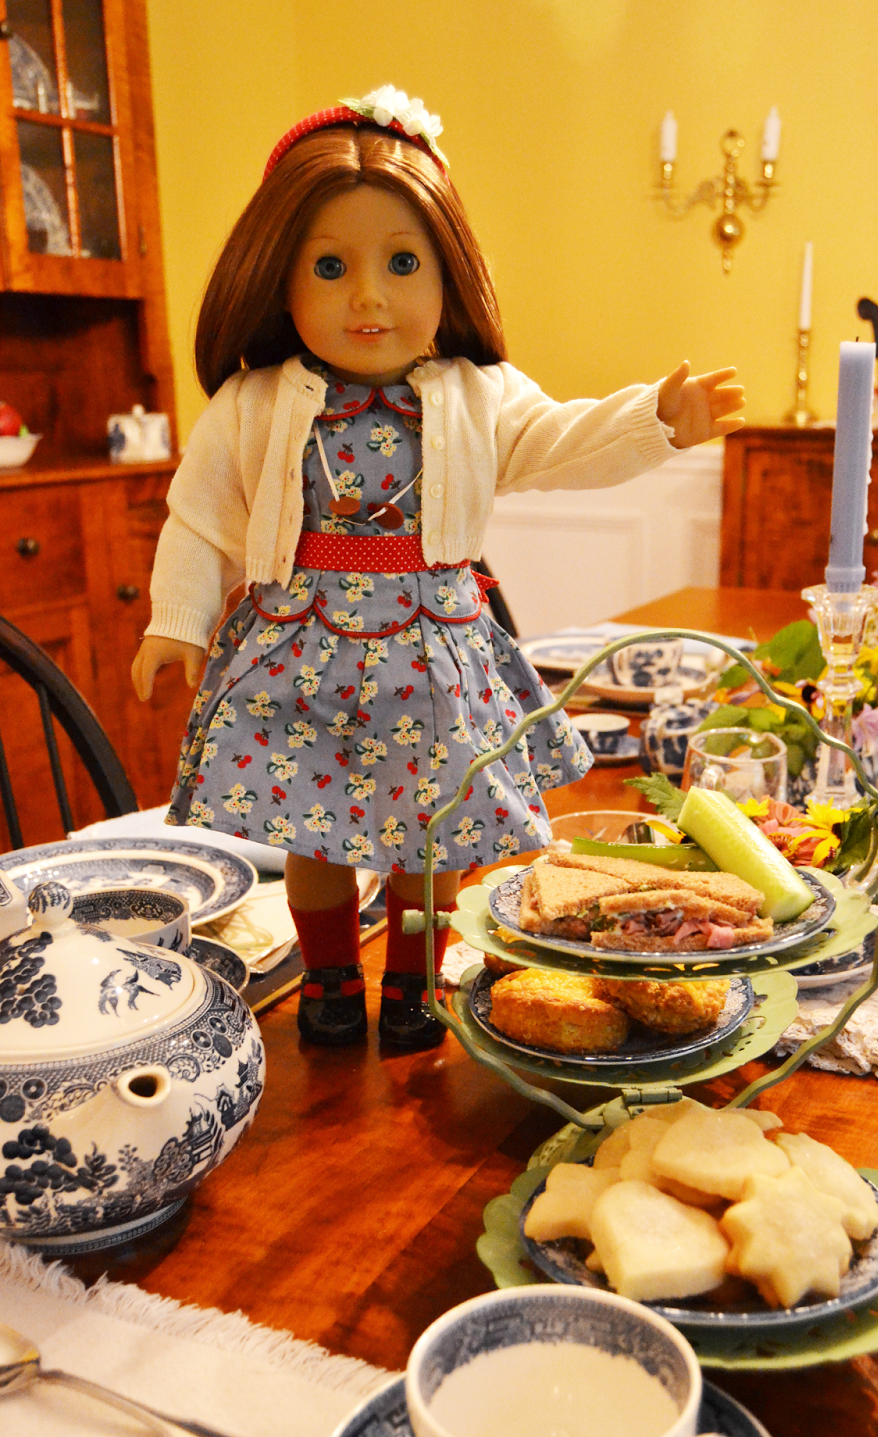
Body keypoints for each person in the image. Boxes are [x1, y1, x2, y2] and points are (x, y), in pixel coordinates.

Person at [131, 87, 745, 1052]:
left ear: (450, 275)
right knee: (313, 827)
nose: (368, 297)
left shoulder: (474, 395)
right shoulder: (254, 402)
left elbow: (561, 439)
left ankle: (412, 982)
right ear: (278, 281)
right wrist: (177, 617)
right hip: (300, 650)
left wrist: (655, 421)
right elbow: (200, 515)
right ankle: (333, 977)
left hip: (433, 656)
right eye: (330, 267)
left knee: (434, 830)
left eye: (402, 263)